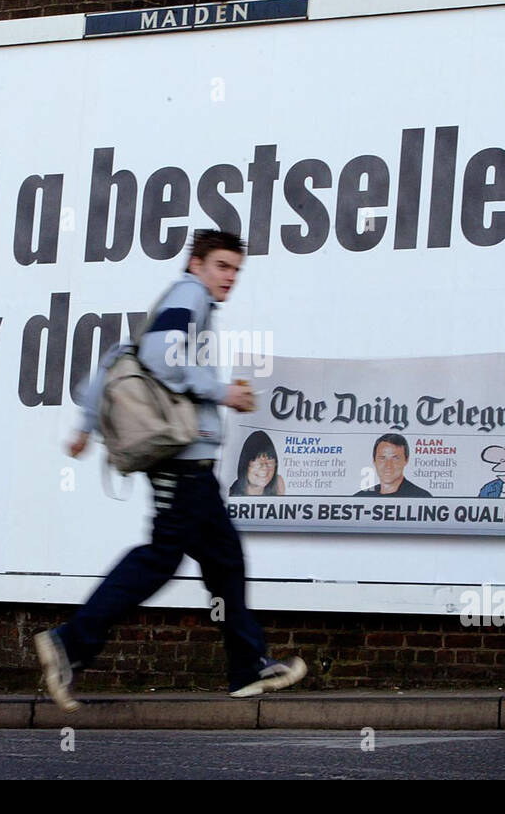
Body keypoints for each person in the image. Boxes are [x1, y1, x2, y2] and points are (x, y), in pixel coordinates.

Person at [35, 229, 306, 711]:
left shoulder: (180, 300)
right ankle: (71, 642)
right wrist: (223, 392)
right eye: (222, 266)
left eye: (236, 271)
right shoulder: (189, 295)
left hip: (189, 464)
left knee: (223, 562)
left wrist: (85, 424)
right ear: (196, 263)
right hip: (181, 464)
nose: (230, 278)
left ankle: (247, 667)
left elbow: (122, 356)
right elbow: (161, 357)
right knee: (162, 558)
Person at [353, 433, 432, 497]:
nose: (388, 466)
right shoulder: (361, 498)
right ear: (374, 461)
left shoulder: (421, 497)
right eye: (382, 458)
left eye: (395, 458)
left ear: (406, 460)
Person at [228, 430, 285, 497]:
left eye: (269, 458)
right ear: (245, 464)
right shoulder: (231, 493)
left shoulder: (278, 485)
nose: (264, 467)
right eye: (256, 459)